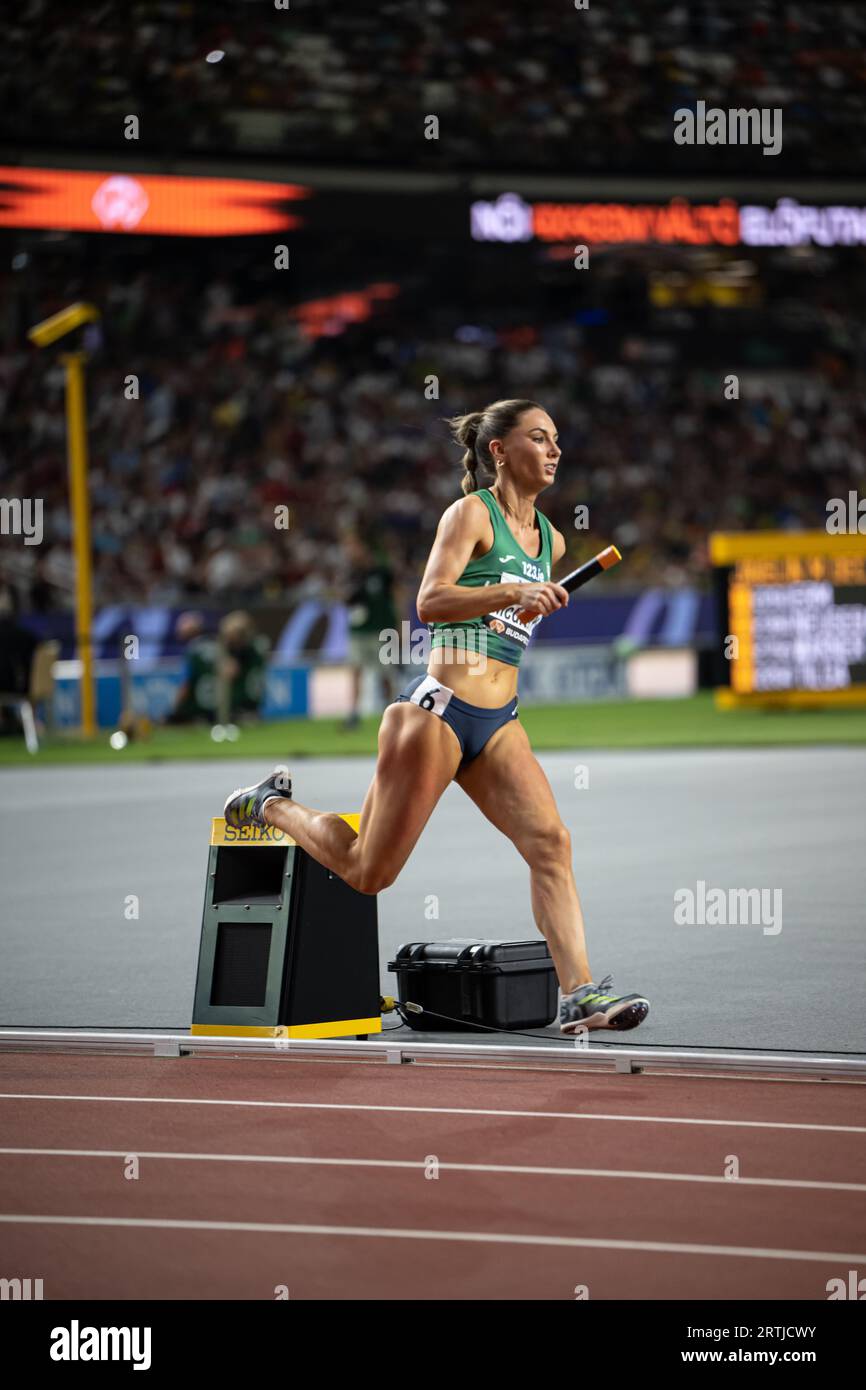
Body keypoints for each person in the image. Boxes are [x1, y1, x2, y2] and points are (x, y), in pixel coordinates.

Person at [223, 399, 649, 1033]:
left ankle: (580, 993)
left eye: (558, 438)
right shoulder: (470, 513)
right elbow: (430, 601)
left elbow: (501, 622)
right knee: (370, 872)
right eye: (540, 437)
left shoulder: (553, 539)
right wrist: (513, 591)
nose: (556, 450)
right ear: (500, 451)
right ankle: (270, 806)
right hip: (436, 715)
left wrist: (527, 606)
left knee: (551, 844)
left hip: (499, 719)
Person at [342, 531, 401, 729]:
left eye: (353, 546)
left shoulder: (382, 572)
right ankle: (354, 713)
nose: (349, 551)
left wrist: (400, 624)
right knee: (355, 671)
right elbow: (344, 599)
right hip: (358, 630)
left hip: (381, 629)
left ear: (364, 548)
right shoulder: (350, 573)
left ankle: (393, 711)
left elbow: (396, 596)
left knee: (386, 673)